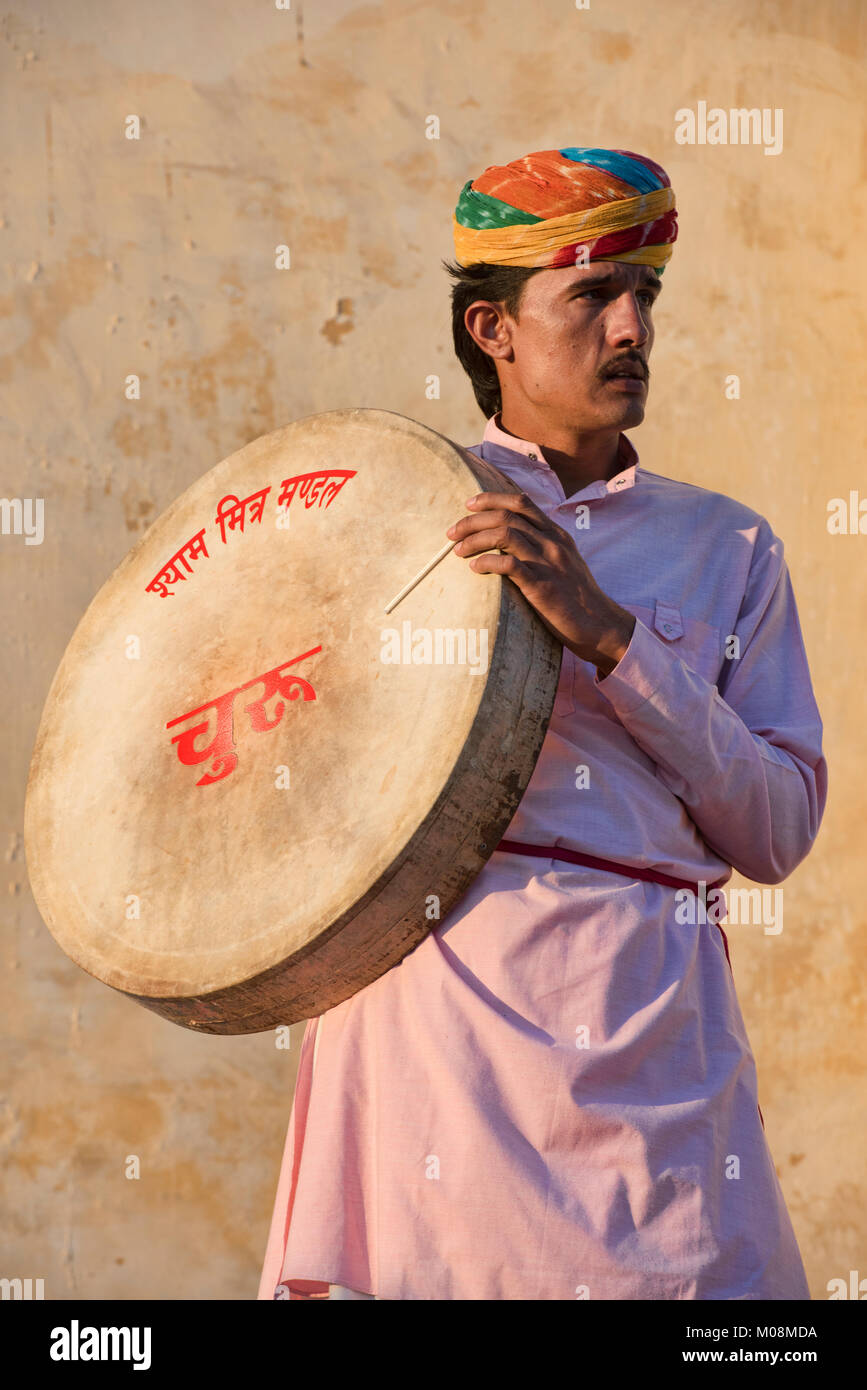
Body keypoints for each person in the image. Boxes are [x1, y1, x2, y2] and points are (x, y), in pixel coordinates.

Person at [258, 146, 827, 1301]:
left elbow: (776, 829)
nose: (632, 330)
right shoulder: (385, 511)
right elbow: (282, 777)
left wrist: (613, 635)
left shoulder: (732, 548)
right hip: (429, 1043)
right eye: (592, 297)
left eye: (645, 298)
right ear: (492, 331)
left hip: (655, 1065)